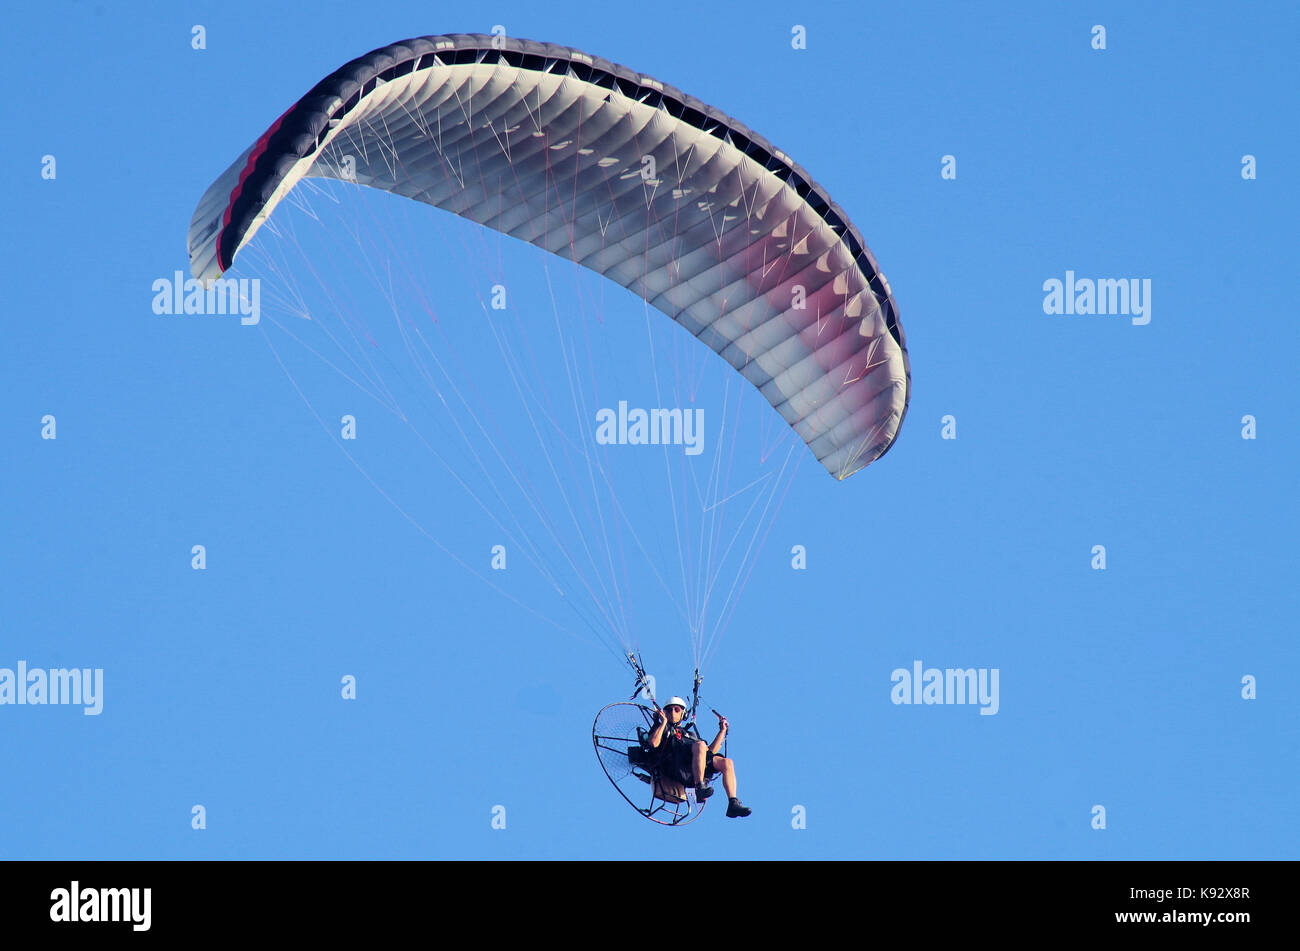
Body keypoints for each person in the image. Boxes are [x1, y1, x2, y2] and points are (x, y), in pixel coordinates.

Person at [647, 696, 751, 818]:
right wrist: (663, 722)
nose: (672, 713)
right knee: (701, 744)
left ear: (683, 714)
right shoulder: (661, 728)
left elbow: (708, 752)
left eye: (676, 710)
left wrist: (722, 731)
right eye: (669, 710)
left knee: (726, 762)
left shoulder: (689, 734)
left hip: (692, 768)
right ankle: (699, 787)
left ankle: (733, 803)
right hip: (676, 766)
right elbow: (653, 743)